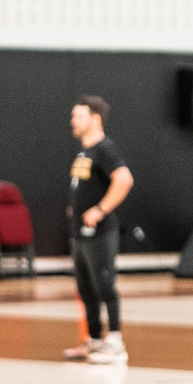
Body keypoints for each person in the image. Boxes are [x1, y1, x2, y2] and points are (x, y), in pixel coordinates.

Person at [64, 96, 135, 365]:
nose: (73, 121)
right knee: (86, 288)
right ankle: (94, 340)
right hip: (79, 232)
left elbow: (124, 179)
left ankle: (116, 343)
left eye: (78, 116)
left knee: (105, 285)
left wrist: (100, 210)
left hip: (101, 232)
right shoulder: (84, 152)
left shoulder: (106, 149)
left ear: (94, 118)